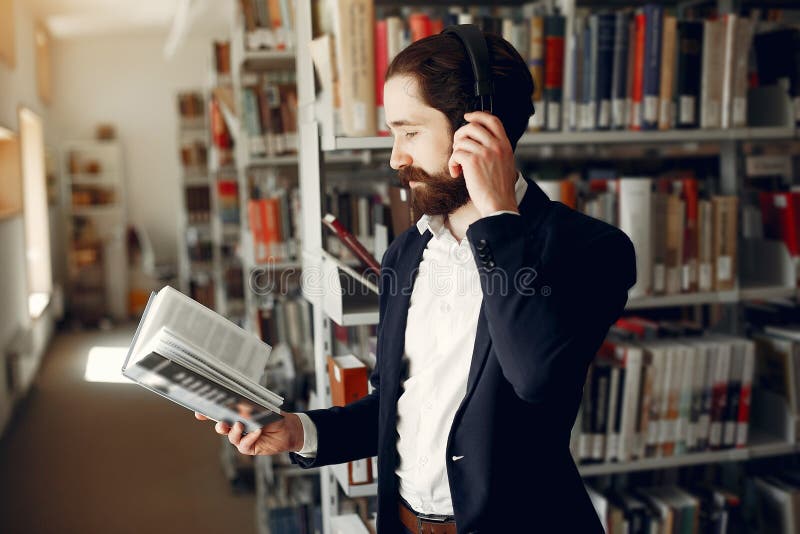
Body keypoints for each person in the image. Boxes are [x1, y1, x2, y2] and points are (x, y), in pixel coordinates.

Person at [196, 27, 636, 533]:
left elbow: (535, 377)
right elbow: (395, 406)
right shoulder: (408, 252)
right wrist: (299, 430)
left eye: (409, 132)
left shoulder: (589, 250)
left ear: (480, 128)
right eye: (392, 134)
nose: (395, 159)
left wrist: (497, 219)